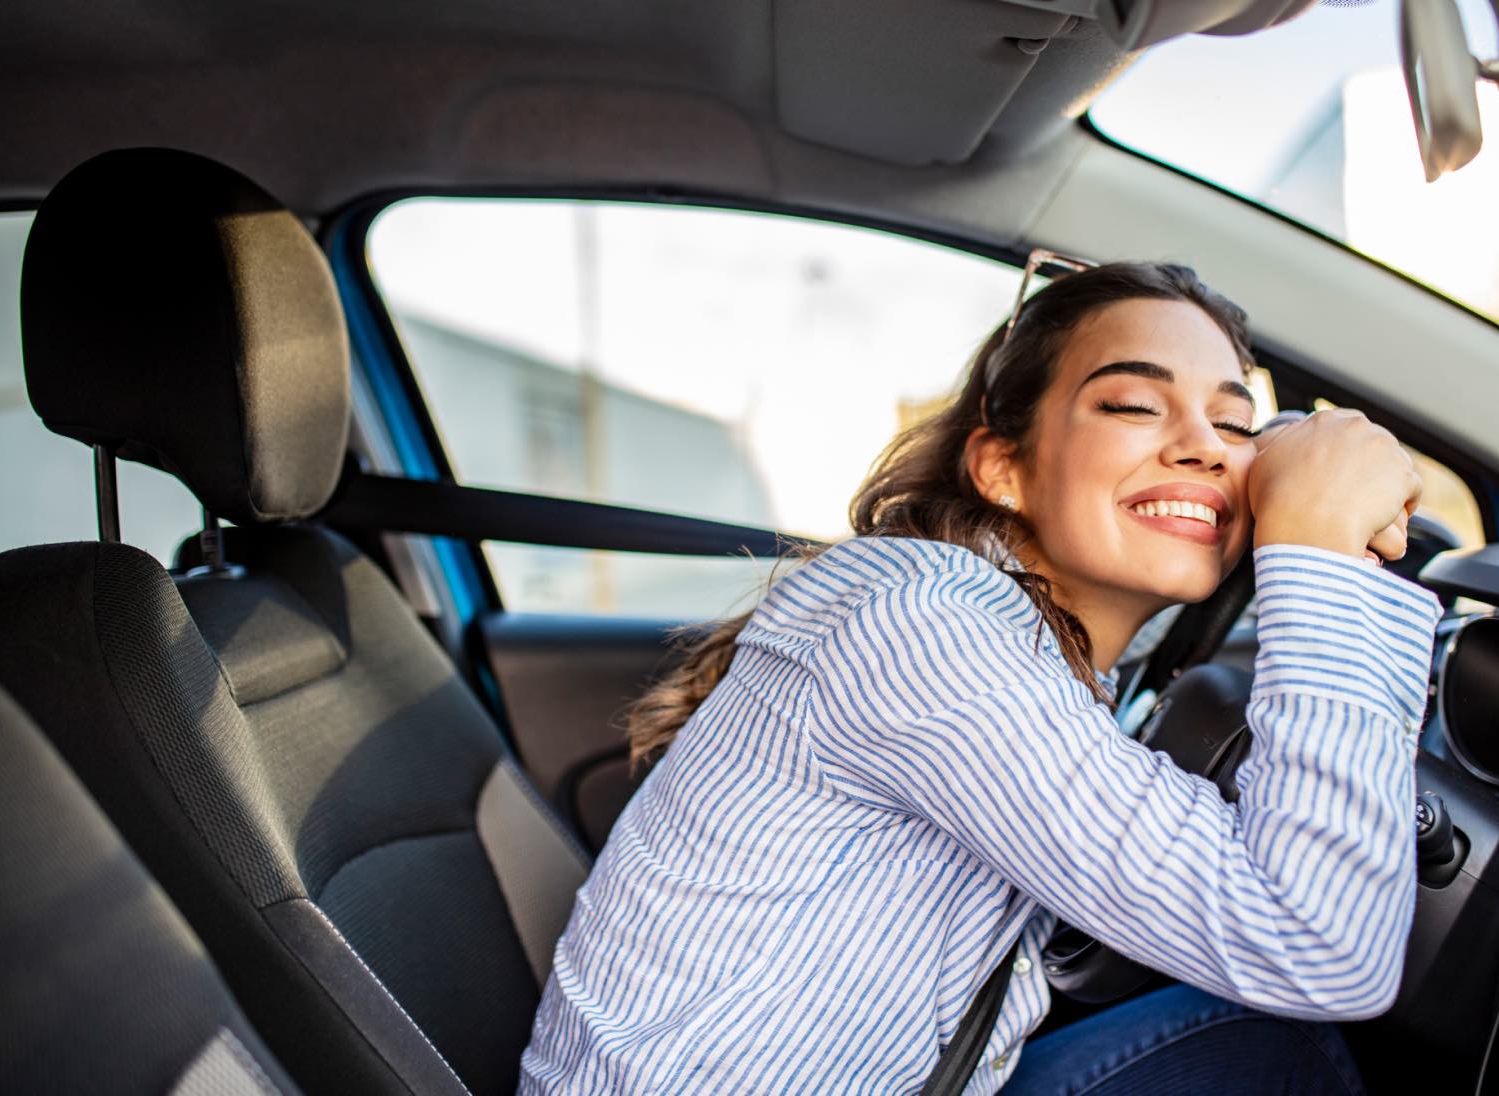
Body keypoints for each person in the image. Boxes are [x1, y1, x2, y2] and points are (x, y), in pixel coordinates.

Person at [519, 261, 1441, 1095]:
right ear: (1003, 467)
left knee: (1258, 1045)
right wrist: (1316, 550)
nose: (1205, 446)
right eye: (1132, 405)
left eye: (1236, 423)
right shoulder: (929, 624)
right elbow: (1323, 950)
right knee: (1285, 1053)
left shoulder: (1027, 637)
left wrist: (1309, 503)